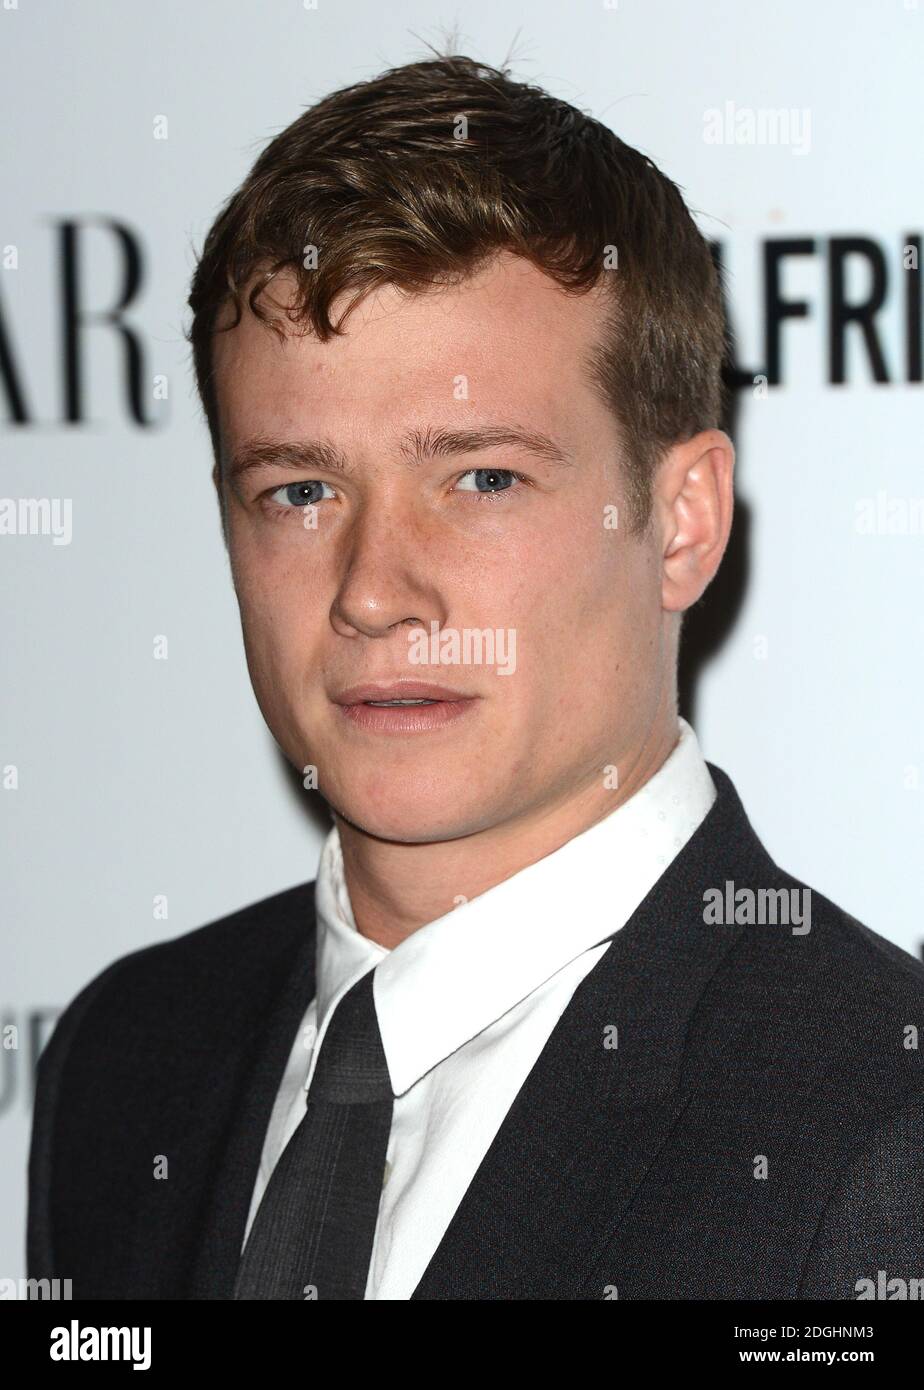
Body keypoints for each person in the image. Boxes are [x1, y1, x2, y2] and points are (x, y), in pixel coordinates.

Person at [27, 52, 924, 1300]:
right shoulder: (128, 1058)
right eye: (300, 489)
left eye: (482, 479)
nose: (374, 589)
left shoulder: (883, 1127)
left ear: (681, 522)